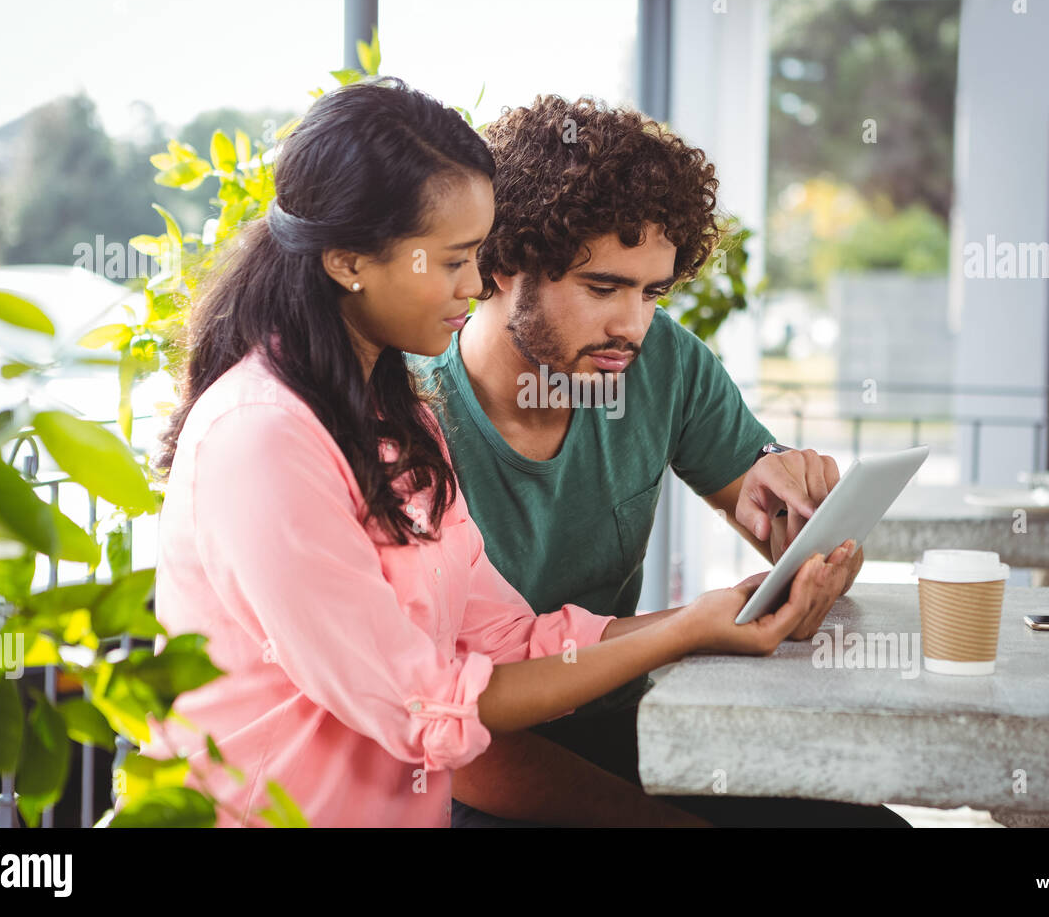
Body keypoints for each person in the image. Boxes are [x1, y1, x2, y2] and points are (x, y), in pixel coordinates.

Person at [140, 78, 859, 827]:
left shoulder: (390, 416)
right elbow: (430, 705)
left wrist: (715, 616)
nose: (476, 283)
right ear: (349, 261)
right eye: (455, 261)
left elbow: (507, 639)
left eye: (476, 255)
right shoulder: (263, 440)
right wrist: (683, 633)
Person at [415, 94, 908, 827]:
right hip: (470, 772)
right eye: (602, 288)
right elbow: (444, 732)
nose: (632, 326)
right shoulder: (406, 422)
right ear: (505, 260)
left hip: (622, 719)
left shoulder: (659, 362)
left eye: (652, 291)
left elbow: (771, 514)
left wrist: (807, 542)